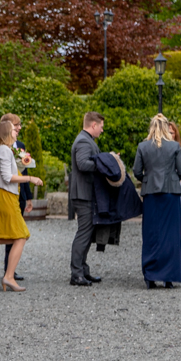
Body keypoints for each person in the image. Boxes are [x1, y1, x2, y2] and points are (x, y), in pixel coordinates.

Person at [0, 120, 41, 291]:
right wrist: (30, 178)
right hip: (6, 196)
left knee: (17, 235)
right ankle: (9, 277)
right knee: (21, 235)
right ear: (7, 133)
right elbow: (7, 177)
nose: (17, 132)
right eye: (14, 130)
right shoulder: (4, 151)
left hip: (2, 195)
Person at [133, 115, 181, 288]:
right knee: (170, 234)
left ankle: (150, 276)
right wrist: (171, 178)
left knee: (151, 233)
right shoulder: (174, 146)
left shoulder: (142, 146)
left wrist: (147, 179)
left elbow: (136, 171)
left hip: (150, 194)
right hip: (170, 193)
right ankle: (168, 278)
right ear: (166, 128)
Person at [69, 111, 105, 286]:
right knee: (83, 233)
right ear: (93, 125)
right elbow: (83, 164)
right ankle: (76, 274)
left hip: (84, 193)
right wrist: (104, 164)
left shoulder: (86, 139)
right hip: (83, 194)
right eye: (101, 127)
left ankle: (83, 270)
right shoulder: (84, 141)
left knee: (87, 233)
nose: (102, 130)